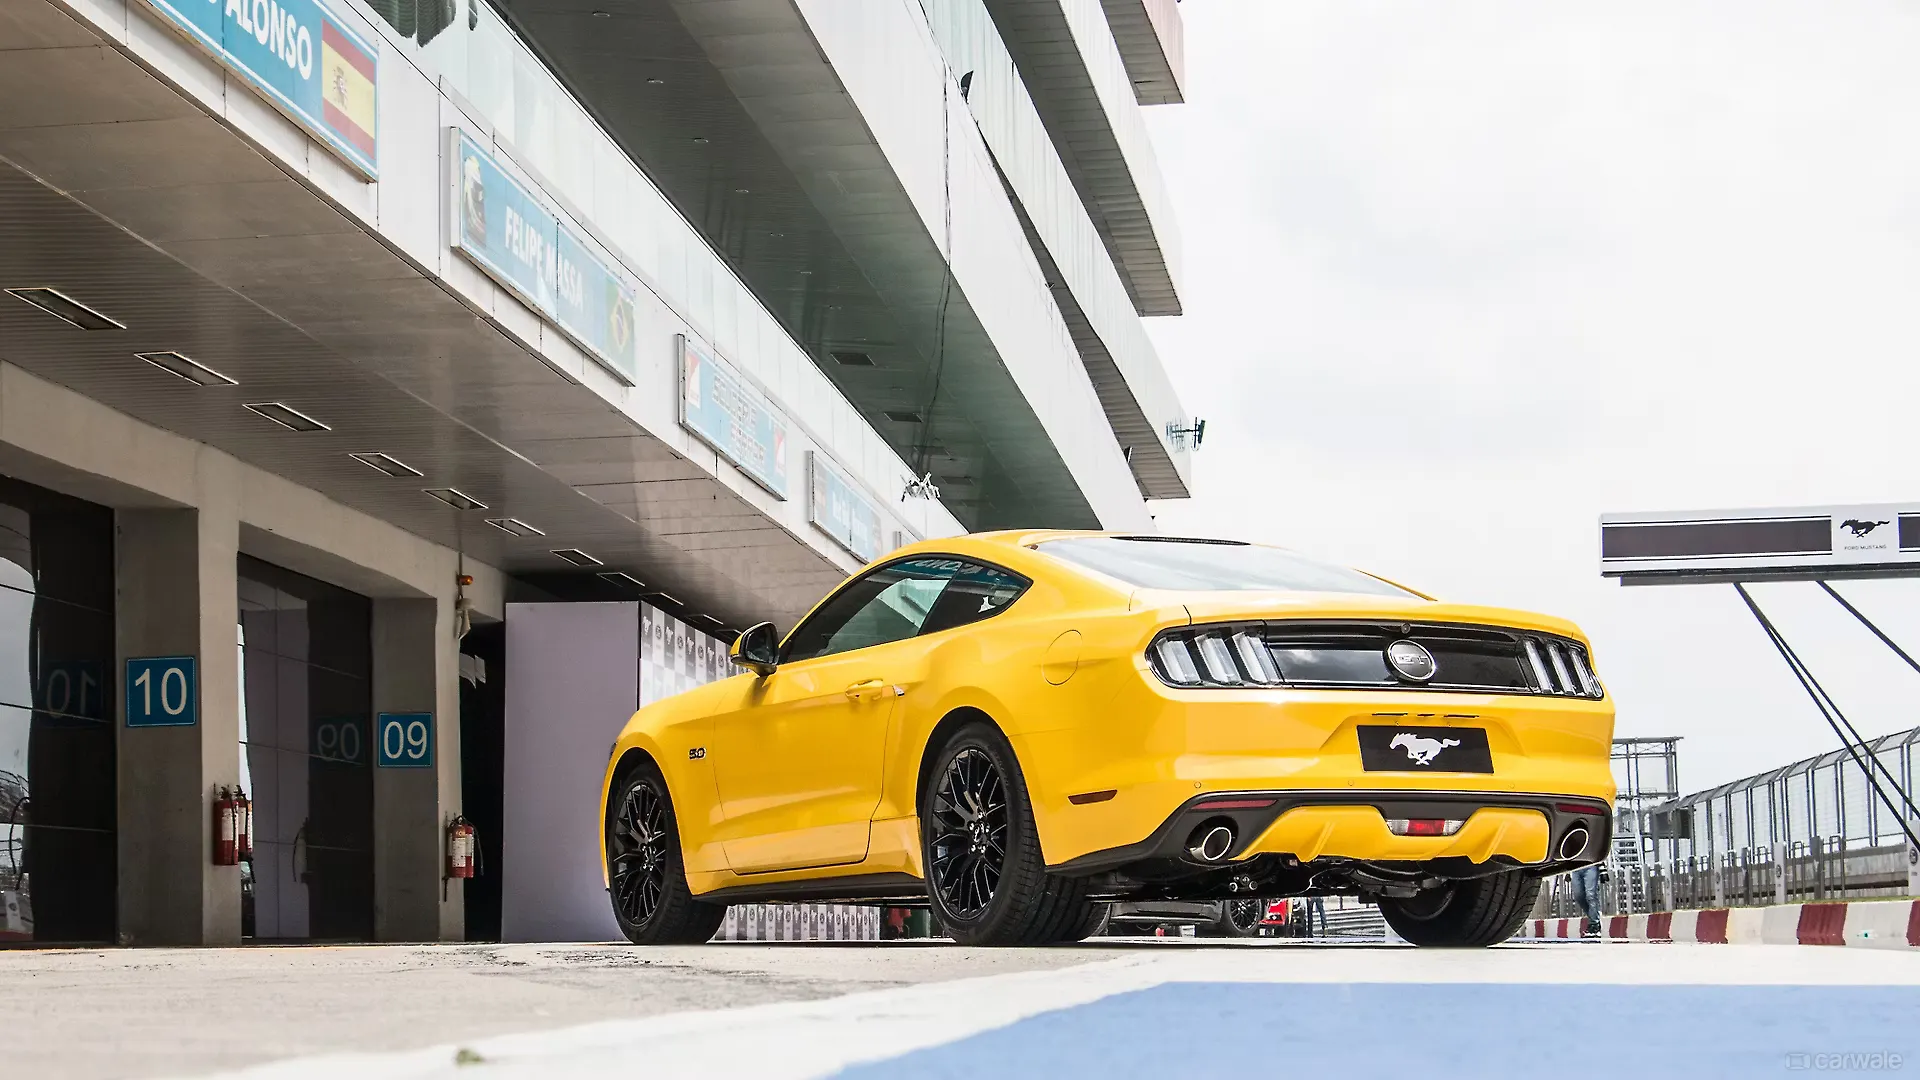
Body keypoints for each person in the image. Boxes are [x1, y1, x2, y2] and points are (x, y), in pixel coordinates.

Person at [1569, 863, 1603, 938]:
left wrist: (1603, 870)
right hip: (1575, 867)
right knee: (1578, 896)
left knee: (1591, 895)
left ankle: (1594, 925)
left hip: (1591, 865)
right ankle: (1594, 917)